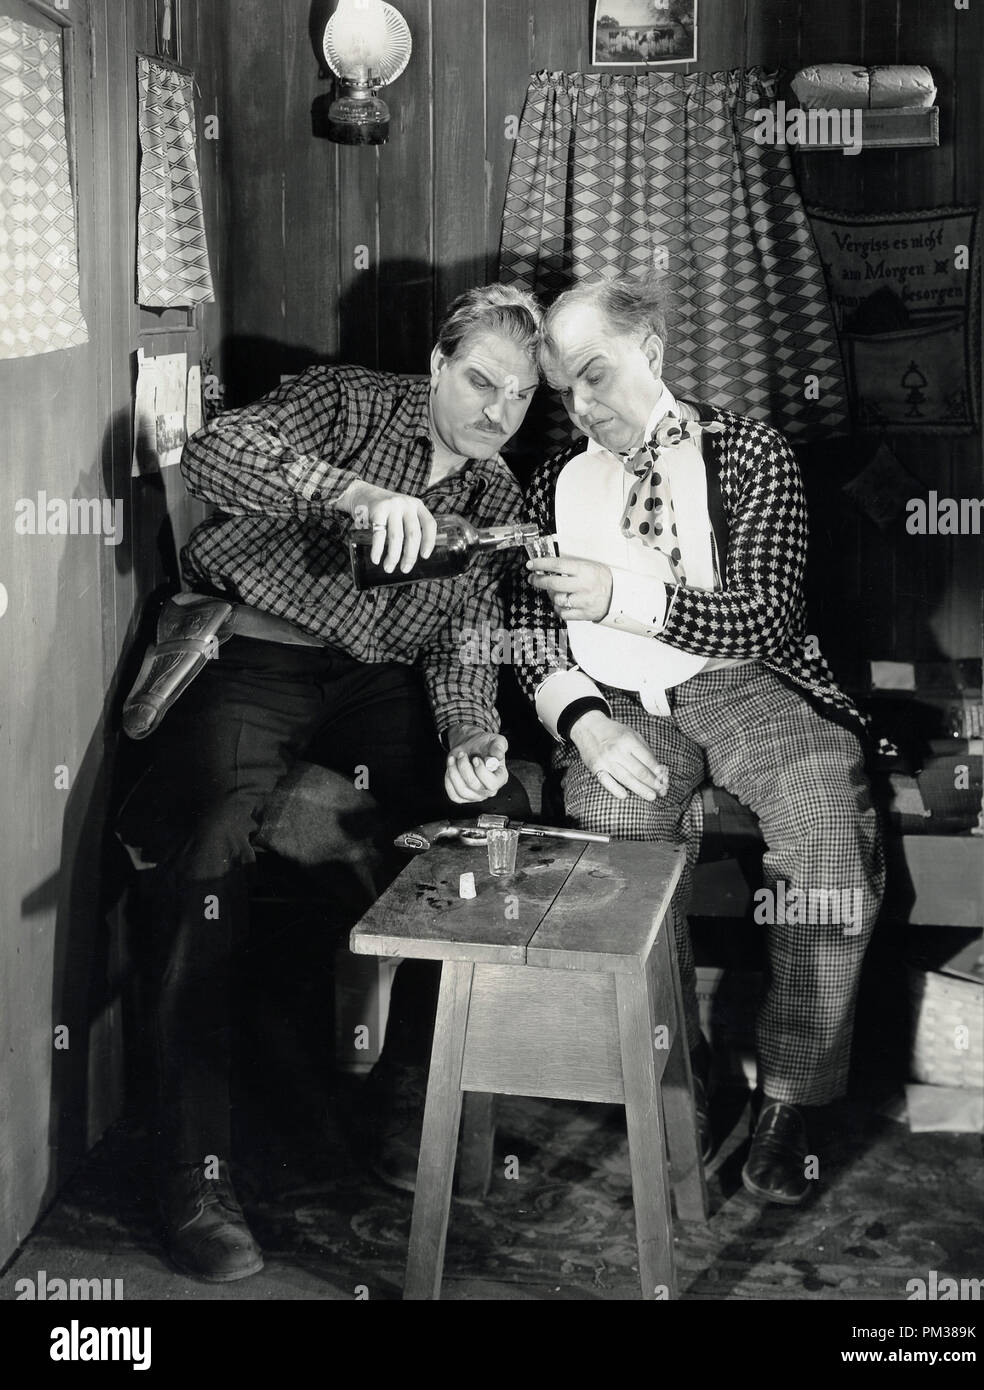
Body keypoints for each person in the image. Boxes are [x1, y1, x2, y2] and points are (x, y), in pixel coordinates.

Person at [117, 283, 542, 1282]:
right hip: (252, 652)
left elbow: (461, 642)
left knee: (482, 819)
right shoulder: (352, 403)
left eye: (520, 396)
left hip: (372, 685)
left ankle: (415, 1098)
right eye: (480, 381)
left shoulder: (495, 494)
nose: (497, 410)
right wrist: (357, 496)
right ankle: (195, 1171)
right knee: (212, 834)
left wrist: (472, 730)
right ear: (439, 365)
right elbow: (217, 451)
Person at [510, 274, 884, 1206]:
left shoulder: (752, 453)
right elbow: (521, 624)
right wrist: (581, 720)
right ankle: (678, 1077)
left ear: (654, 351)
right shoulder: (555, 479)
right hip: (625, 703)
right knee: (609, 827)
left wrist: (618, 596)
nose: (585, 408)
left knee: (826, 827)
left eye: (597, 376)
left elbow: (763, 617)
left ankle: (792, 1093)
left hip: (751, 688)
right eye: (565, 392)